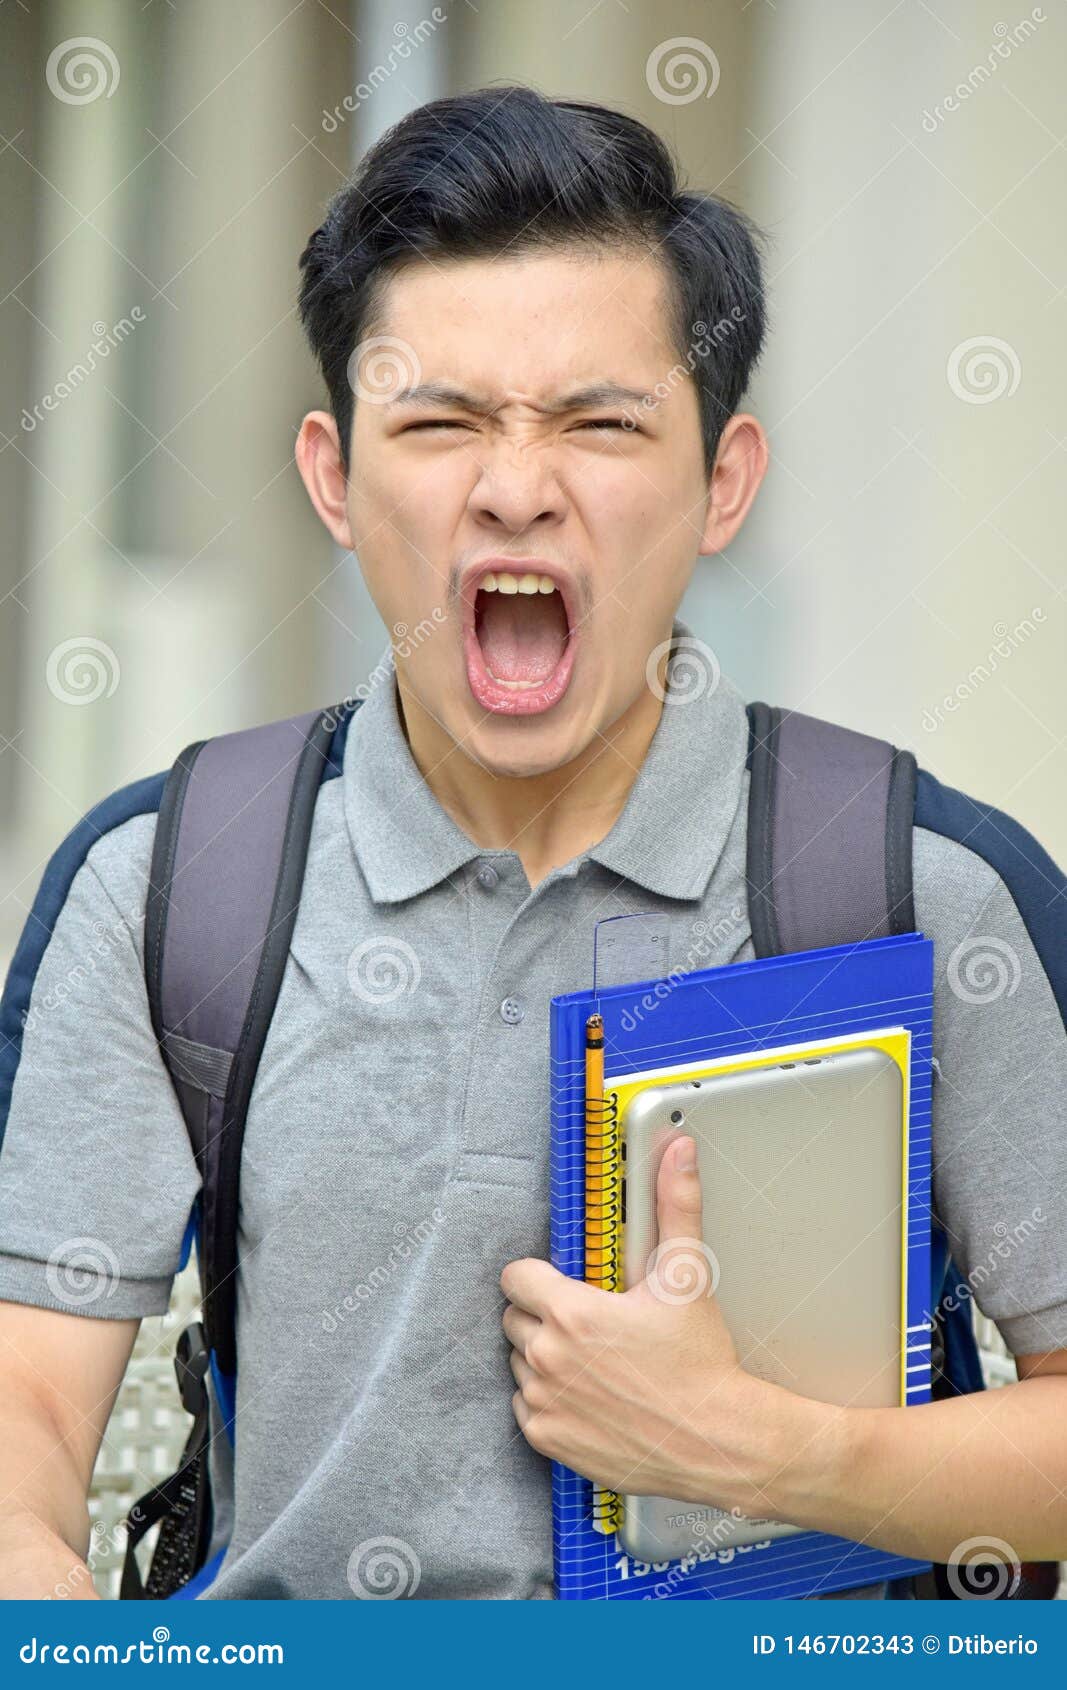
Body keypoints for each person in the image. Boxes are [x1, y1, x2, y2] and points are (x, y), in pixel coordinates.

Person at [0, 86, 1064, 1602]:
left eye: (599, 422)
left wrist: (762, 1450)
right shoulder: (166, 886)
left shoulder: (928, 886)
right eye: (437, 423)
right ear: (332, 477)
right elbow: (28, 1412)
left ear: (723, 483)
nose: (514, 487)